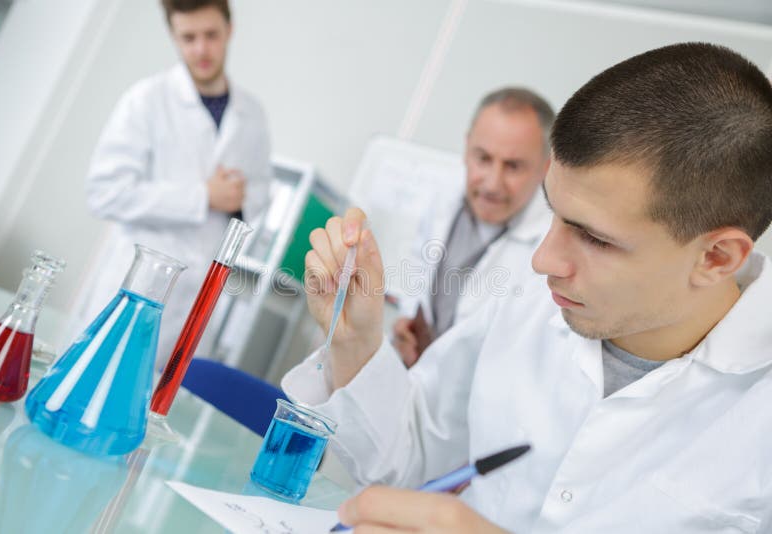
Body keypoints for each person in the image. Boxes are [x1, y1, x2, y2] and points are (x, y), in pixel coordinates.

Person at [284, 42, 772, 533]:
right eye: (553, 212)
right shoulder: (530, 302)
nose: (543, 260)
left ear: (715, 257)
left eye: (595, 237)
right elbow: (411, 458)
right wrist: (355, 340)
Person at [78, 0, 271, 366]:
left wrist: (241, 199)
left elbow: (261, 190)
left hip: (195, 300)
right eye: (189, 38)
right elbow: (104, 194)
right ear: (174, 37)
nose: (201, 49)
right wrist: (202, 197)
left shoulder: (252, 114)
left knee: (159, 409)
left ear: (229, 31)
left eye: (211, 35)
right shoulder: (146, 100)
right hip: (135, 286)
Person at [393, 88, 553, 367]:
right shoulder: (442, 202)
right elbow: (418, 279)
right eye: (483, 158)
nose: (492, 183)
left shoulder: (552, 250)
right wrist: (407, 327)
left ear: (546, 168)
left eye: (513, 166)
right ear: (467, 148)